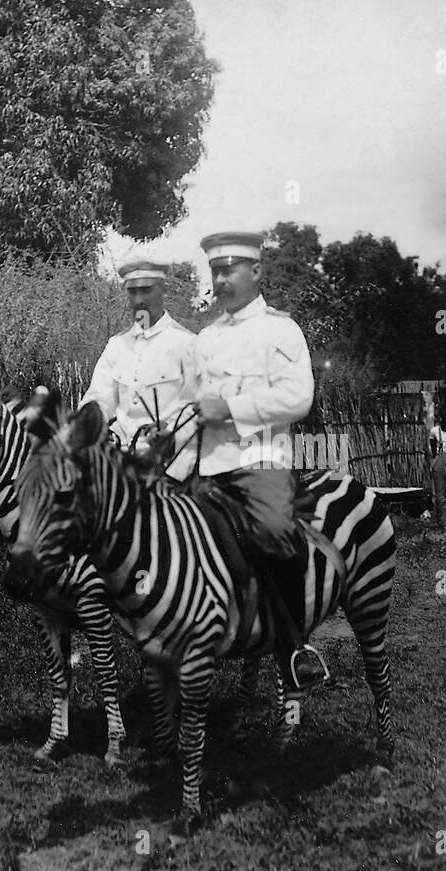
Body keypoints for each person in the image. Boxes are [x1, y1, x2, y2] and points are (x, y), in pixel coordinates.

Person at [191, 230, 329, 690]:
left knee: (273, 532)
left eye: (229, 269)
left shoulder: (280, 329)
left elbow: (298, 397)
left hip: (262, 460)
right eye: (215, 270)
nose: (221, 278)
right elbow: (193, 404)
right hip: (207, 465)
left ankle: (294, 647)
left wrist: (230, 409)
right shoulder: (205, 338)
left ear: (256, 271)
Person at [80, 260, 197, 483]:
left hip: (170, 468)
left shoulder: (186, 344)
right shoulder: (117, 345)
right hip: (118, 464)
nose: (138, 301)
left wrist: (173, 435)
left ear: (164, 289)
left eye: (146, 291)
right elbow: (99, 396)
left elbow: (197, 407)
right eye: (132, 292)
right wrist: (90, 421)